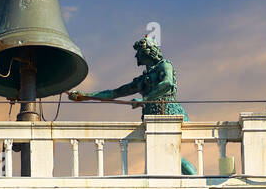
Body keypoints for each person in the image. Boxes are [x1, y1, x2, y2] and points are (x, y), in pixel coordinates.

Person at [68, 36, 197, 174]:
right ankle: (192, 178)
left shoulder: (165, 65)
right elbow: (114, 93)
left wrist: (144, 99)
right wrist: (86, 96)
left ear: (147, 51)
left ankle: (194, 178)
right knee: (167, 153)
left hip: (168, 113)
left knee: (171, 153)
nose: (136, 55)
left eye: (139, 51)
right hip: (153, 117)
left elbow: (167, 83)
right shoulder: (142, 79)